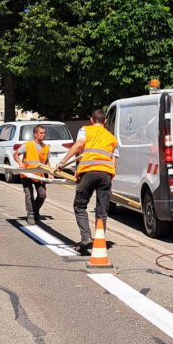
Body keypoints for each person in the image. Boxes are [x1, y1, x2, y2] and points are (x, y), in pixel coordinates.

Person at [56, 108, 118, 255]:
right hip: (106, 175)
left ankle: (86, 238)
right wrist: (108, 177)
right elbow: (114, 161)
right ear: (105, 121)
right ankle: (99, 241)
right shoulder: (112, 138)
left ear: (91, 120)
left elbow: (78, 145)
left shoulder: (85, 130)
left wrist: (63, 162)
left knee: (80, 205)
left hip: (89, 172)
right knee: (102, 210)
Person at [18, 124, 52, 224]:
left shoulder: (46, 147)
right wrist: (20, 163)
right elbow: (16, 154)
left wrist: (49, 172)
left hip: (39, 175)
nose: (44, 135)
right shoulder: (27, 145)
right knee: (29, 195)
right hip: (27, 174)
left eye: (44, 133)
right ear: (35, 134)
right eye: (41, 133)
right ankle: (31, 215)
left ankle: (35, 210)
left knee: (42, 194)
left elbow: (46, 162)